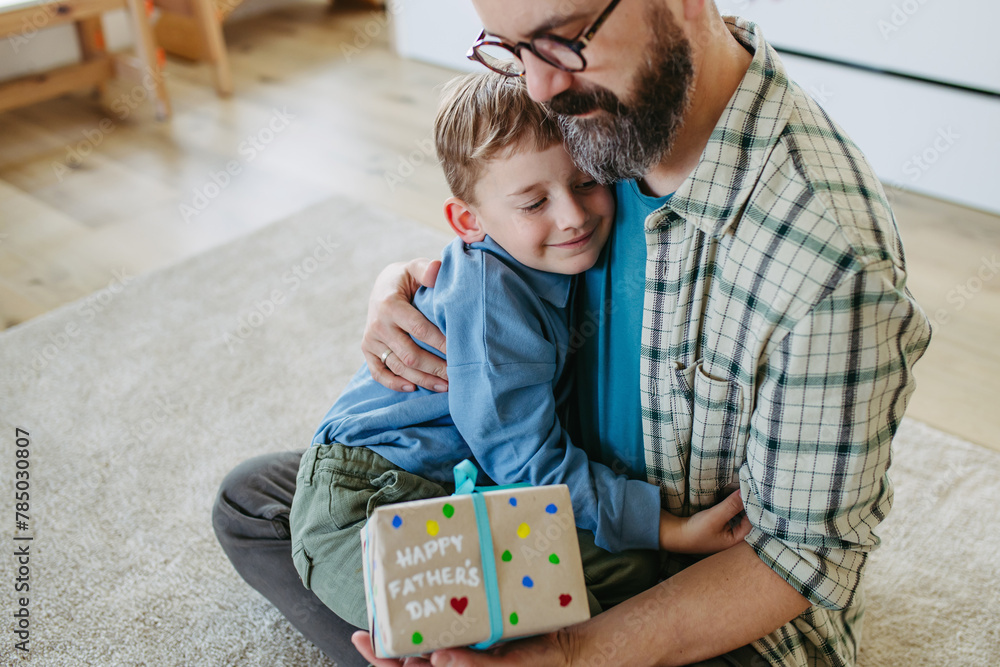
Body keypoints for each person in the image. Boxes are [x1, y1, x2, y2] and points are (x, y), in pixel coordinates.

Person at [216, 1, 932, 666]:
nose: (539, 85)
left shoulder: (832, 266)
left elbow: (800, 559)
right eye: (512, 48)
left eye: (562, 38)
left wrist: (569, 652)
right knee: (256, 500)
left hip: (698, 591)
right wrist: (409, 284)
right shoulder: (597, 124)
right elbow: (496, 228)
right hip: (553, 502)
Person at [288, 70, 750, 631]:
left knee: (630, 569)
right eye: (534, 203)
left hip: (462, 490)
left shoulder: (550, 258)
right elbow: (527, 465)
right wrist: (669, 527)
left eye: (585, 183)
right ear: (469, 221)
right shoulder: (492, 299)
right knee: (498, 631)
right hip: (364, 501)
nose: (573, 217)